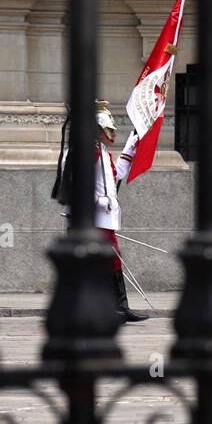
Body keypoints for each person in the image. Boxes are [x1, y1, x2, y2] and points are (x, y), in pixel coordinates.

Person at [56, 101, 148, 324]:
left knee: (110, 260)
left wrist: (132, 145)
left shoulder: (101, 152)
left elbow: (115, 176)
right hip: (91, 217)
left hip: (103, 217)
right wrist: (99, 200)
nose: (112, 131)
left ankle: (118, 306)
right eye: (108, 127)